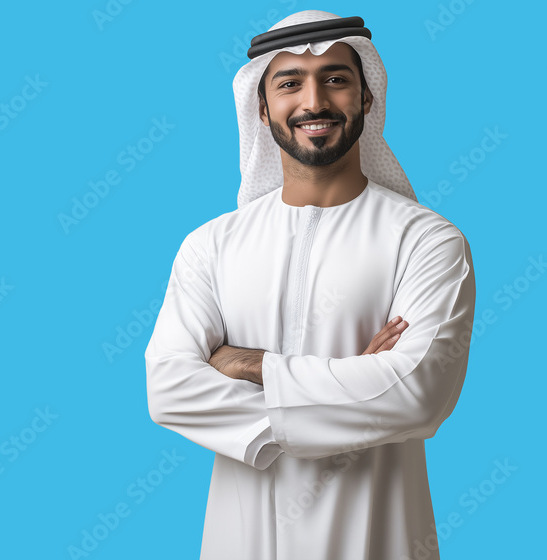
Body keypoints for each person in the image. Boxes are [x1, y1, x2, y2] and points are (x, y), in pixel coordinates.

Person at [144, 11, 476, 560]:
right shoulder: (211, 245)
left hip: (378, 538)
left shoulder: (427, 241)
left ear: (367, 97)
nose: (314, 101)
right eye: (290, 82)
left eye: (336, 79)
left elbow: (418, 396)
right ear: (261, 105)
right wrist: (355, 381)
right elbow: (169, 389)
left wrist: (249, 366)